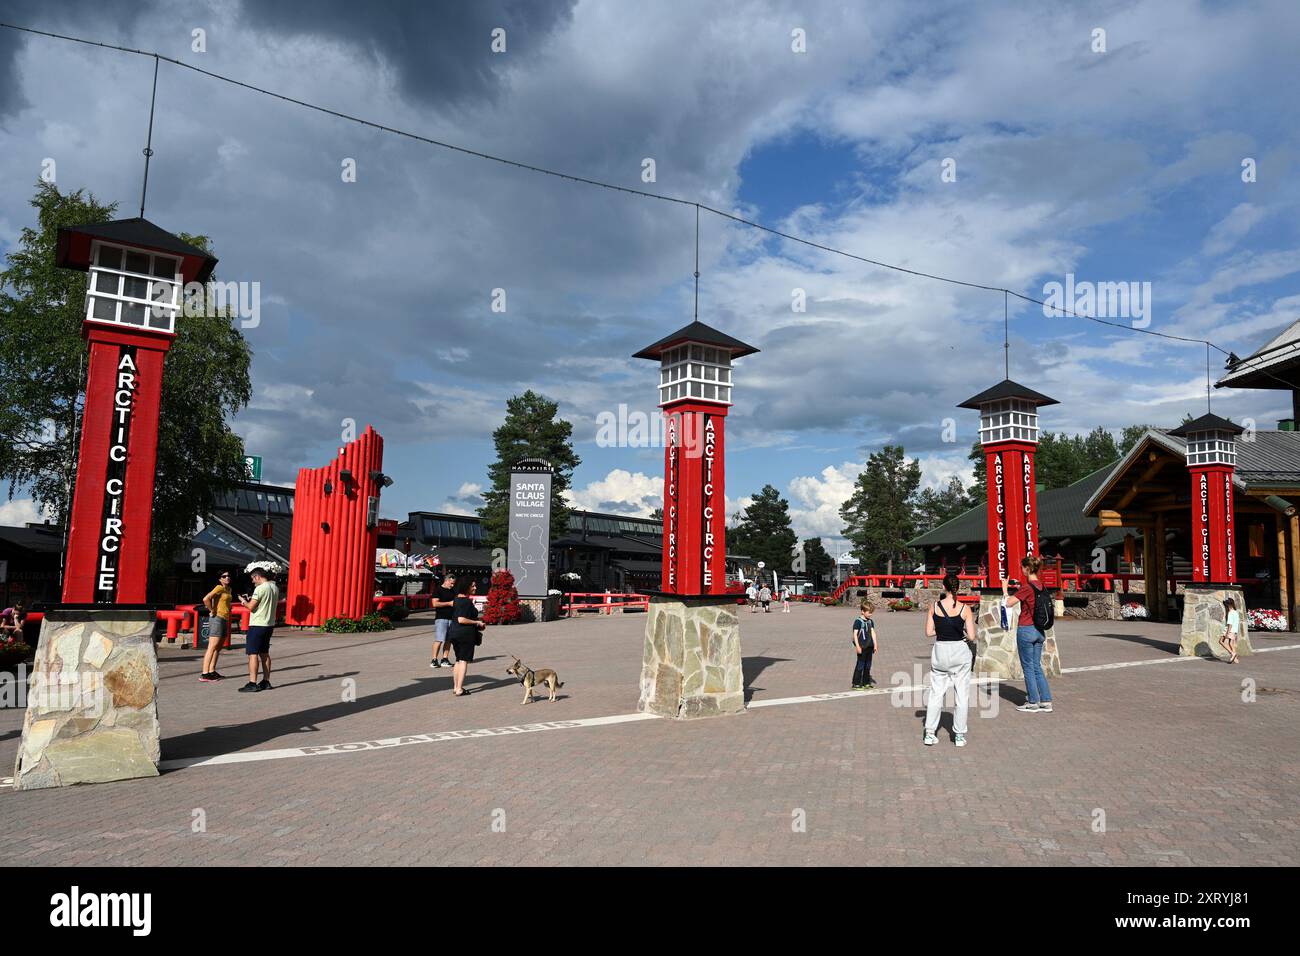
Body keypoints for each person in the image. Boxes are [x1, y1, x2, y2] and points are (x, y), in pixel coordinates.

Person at [923, 573, 976, 746]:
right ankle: (959, 735)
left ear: (944, 587)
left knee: (936, 694)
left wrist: (942, 629)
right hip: (959, 652)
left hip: (940, 651)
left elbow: (929, 633)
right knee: (962, 695)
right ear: (958, 587)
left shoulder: (934, 607)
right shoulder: (965, 608)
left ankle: (930, 733)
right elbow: (973, 637)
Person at [1002, 555, 1053, 713]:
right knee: (1036, 666)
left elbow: (1009, 603)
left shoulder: (1027, 587)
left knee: (1028, 667)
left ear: (1027, 569)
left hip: (1026, 629)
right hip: (1040, 630)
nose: (1021, 570)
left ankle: (1033, 702)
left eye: (1022, 567)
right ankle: (1046, 700)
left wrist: (1005, 589)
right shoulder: (1042, 586)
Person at [238, 568, 279, 693]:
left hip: (257, 624)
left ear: (257, 576)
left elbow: (251, 607)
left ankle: (252, 682)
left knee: (253, 654)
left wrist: (244, 601)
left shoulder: (260, 588)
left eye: (252, 579)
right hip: (269, 624)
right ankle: (266, 681)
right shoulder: (274, 588)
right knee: (264, 653)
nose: (253, 582)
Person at [447, 577, 486, 697]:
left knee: (458, 660)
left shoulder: (456, 599)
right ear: (466, 587)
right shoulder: (466, 602)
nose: (475, 588)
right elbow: (461, 619)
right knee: (464, 660)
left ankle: (455, 687)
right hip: (464, 634)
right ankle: (459, 688)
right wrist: (477, 623)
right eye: (473, 586)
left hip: (454, 633)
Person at [199, 570, 234, 682]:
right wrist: (211, 610)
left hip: (224, 619)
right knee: (212, 646)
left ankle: (212, 671)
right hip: (217, 619)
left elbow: (226, 603)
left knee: (218, 647)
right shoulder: (219, 588)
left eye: (228, 575)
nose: (227, 577)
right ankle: (205, 673)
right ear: (220, 579)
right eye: (224, 576)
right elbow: (206, 598)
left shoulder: (228, 589)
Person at [430, 572, 457, 669]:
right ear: (446, 581)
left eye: (454, 583)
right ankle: (434, 659)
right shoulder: (438, 590)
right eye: (451, 583)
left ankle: (445, 659)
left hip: (452, 618)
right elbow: (435, 604)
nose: (452, 585)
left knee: (448, 640)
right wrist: (449, 603)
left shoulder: (453, 591)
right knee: (439, 639)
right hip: (441, 618)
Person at [851, 600, 877, 689]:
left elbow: (873, 632)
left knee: (868, 665)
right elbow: (855, 635)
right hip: (861, 647)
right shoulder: (858, 622)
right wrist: (857, 646)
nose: (870, 614)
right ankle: (856, 683)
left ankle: (866, 682)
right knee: (860, 665)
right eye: (869, 612)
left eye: (871, 612)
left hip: (870, 646)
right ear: (862, 611)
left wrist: (875, 644)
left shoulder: (870, 622)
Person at [1220, 597, 1244, 664]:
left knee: (1221, 641)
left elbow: (1230, 624)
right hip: (1234, 630)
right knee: (1231, 644)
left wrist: (1227, 633)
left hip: (1229, 630)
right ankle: (1235, 659)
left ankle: (1232, 653)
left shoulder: (1230, 613)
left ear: (1228, 605)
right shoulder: (1236, 612)